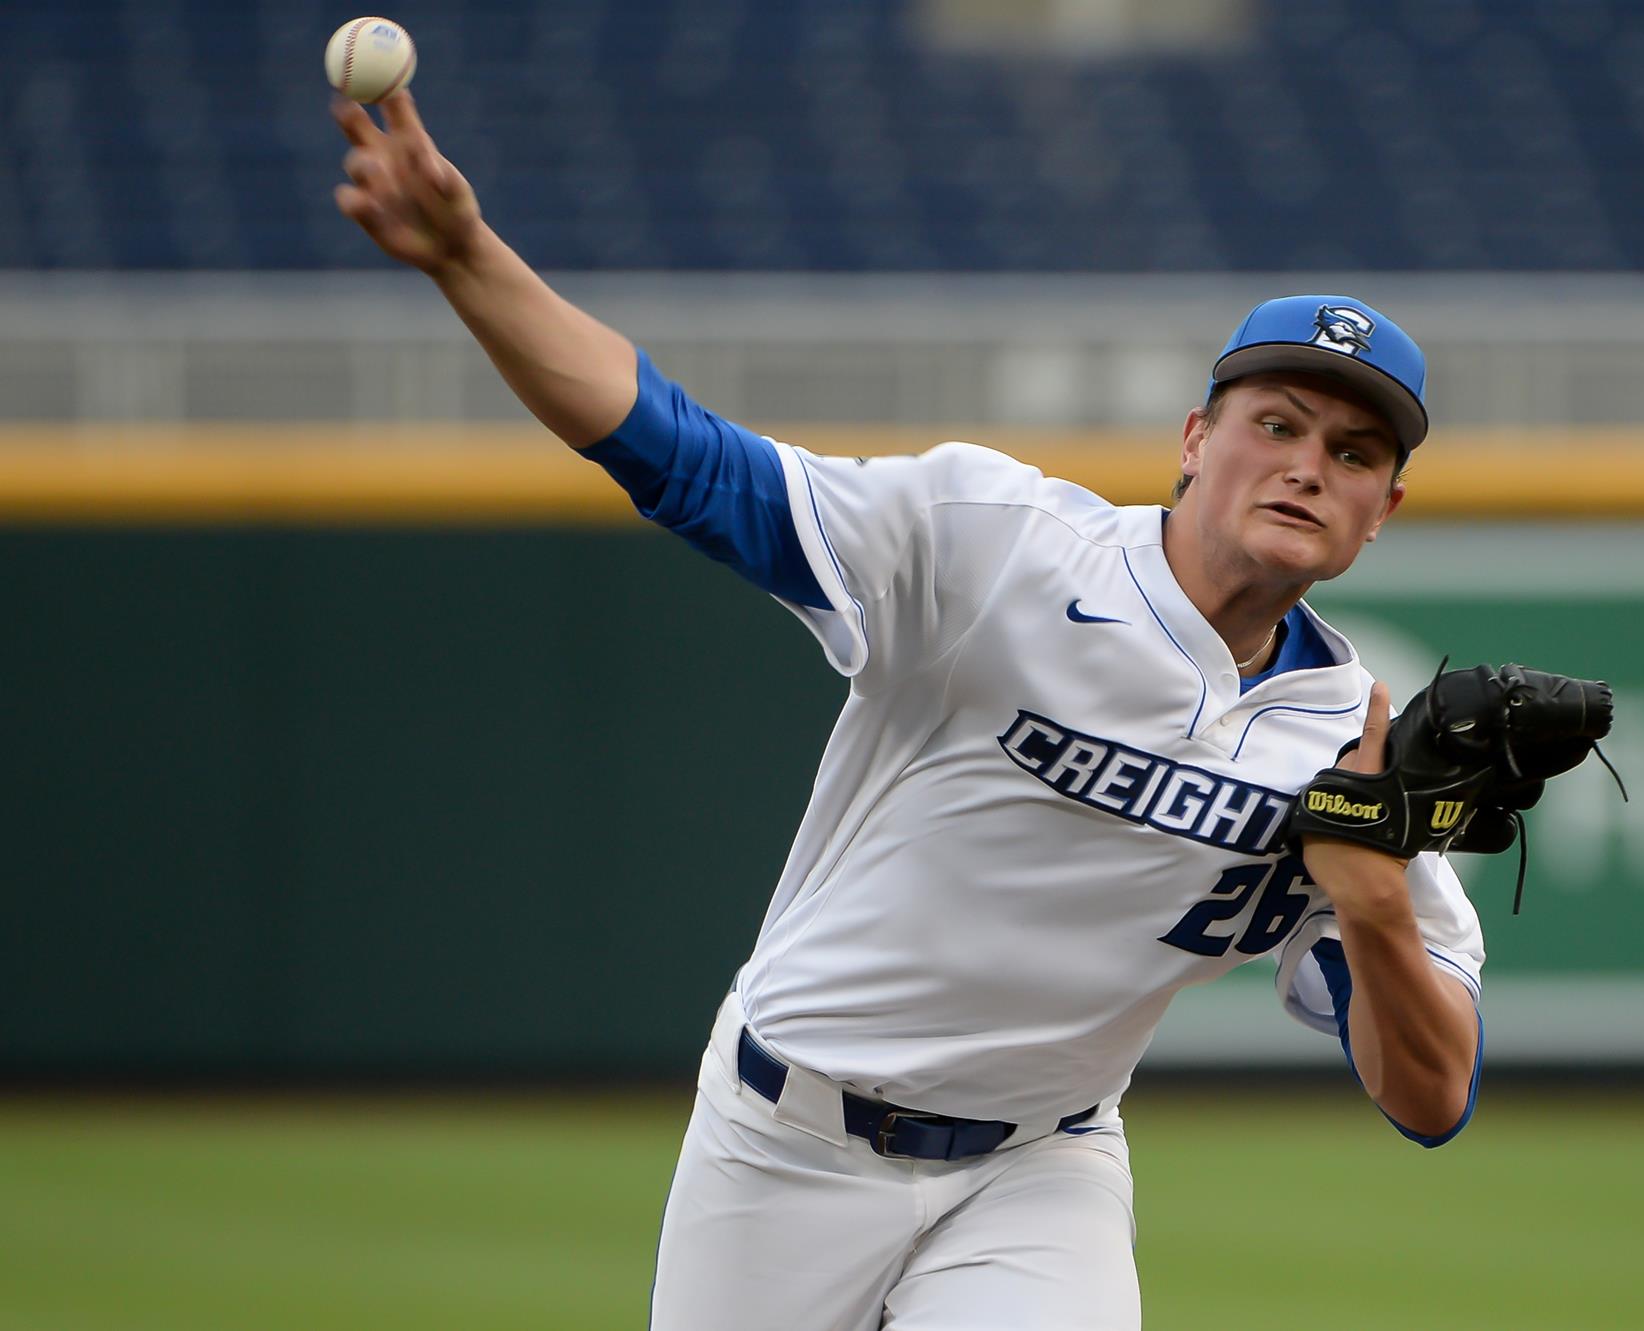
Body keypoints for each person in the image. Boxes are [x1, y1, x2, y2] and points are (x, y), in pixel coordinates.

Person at [332, 91, 1483, 1331]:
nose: (1309, 463)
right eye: (1277, 423)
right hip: (786, 1140)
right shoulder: (997, 546)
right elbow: (685, 459)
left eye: (1355, 452)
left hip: (1039, 1170)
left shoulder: (1352, 745)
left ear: (1384, 509)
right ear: (1195, 440)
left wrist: (1371, 907)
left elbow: (1429, 1095)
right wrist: (467, 260)